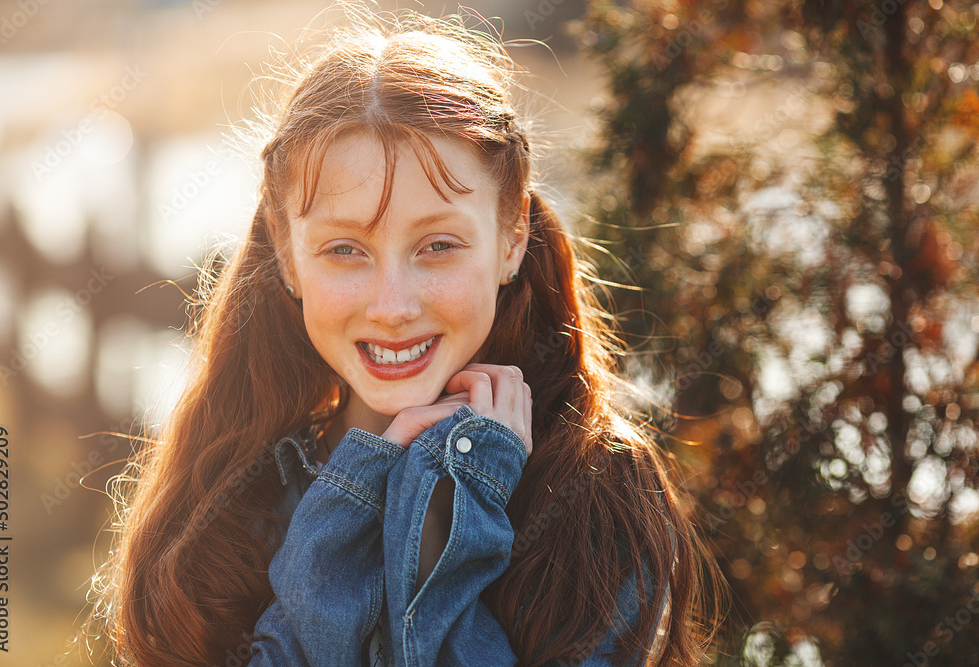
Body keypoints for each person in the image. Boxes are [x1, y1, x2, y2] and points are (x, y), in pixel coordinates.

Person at [93, 2, 720, 665]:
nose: (393, 305)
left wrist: (458, 514)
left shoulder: (599, 502)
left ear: (511, 239)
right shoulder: (222, 511)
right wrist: (348, 510)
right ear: (286, 254)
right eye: (345, 250)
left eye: (438, 245)